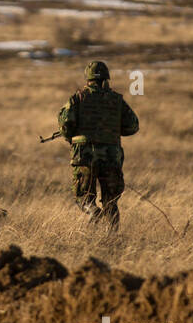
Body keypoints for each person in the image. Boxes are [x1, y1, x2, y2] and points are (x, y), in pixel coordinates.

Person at [56, 61, 139, 228]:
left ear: (88, 79)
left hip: (85, 154)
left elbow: (65, 125)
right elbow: (133, 126)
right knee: (111, 201)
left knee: (83, 196)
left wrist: (72, 137)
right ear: (106, 79)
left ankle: (93, 211)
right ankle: (113, 238)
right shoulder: (117, 100)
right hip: (111, 155)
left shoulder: (78, 98)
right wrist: (112, 131)